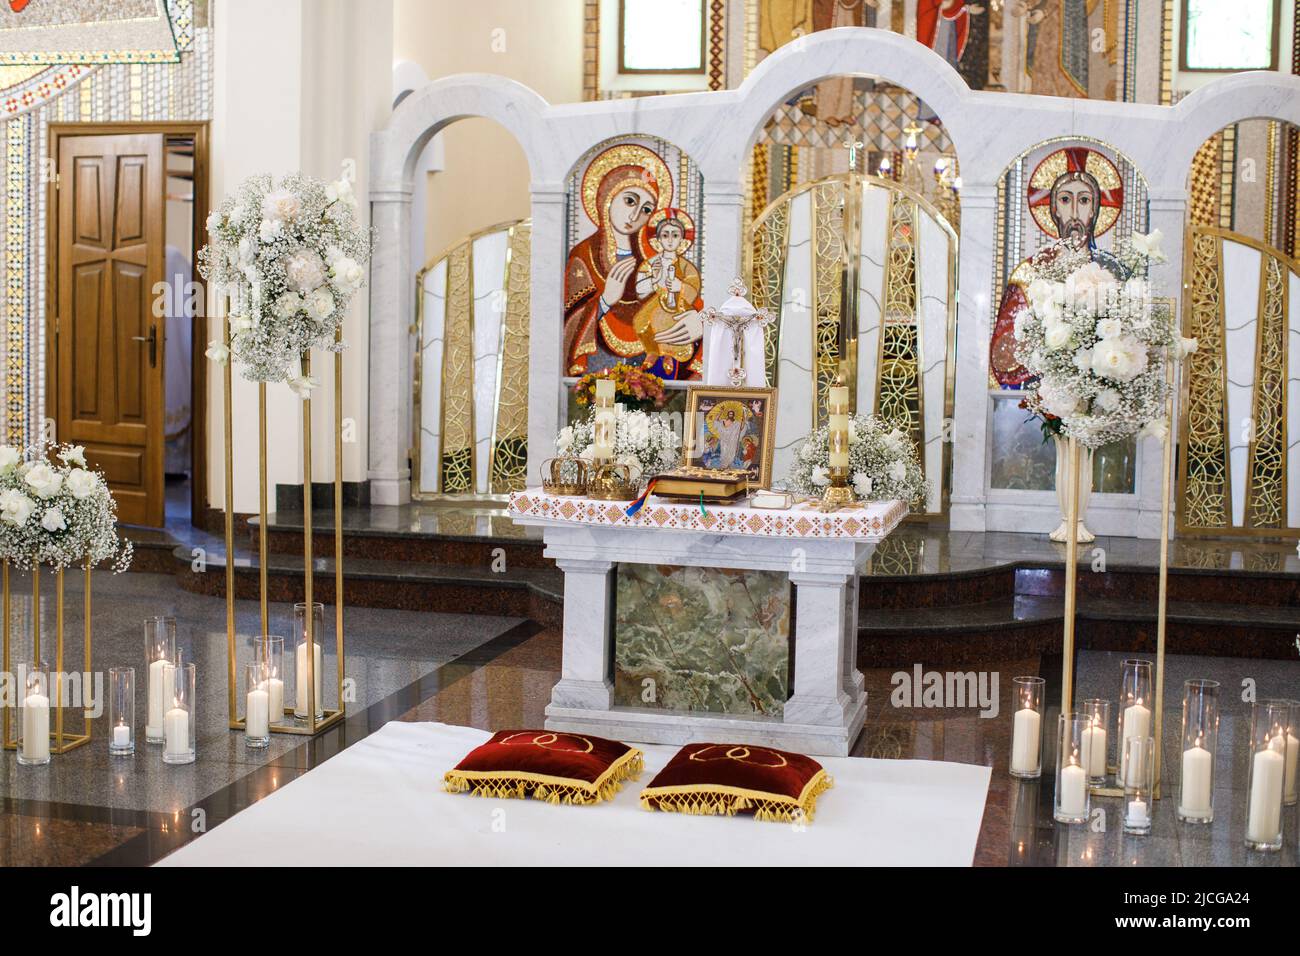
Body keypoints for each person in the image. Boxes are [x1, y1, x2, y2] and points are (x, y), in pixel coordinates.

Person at [563, 145, 703, 380]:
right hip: (600, 367)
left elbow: (688, 298)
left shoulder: (654, 255)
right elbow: (568, 323)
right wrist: (605, 301)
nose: (635, 215)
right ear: (607, 196)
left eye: (646, 209)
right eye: (630, 201)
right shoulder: (584, 256)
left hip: (652, 369)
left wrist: (698, 322)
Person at [990, 155, 1123, 387]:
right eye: (1064, 200)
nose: (1074, 212)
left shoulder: (1112, 270)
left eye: (1083, 200)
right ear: (1054, 210)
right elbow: (1002, 359)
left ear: (1094, 210)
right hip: (1042, 396)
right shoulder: (1030, 271)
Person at [632, 208, 704, 379]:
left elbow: (694, 285)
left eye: (675, 235)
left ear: (681, 239)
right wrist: (654, 280)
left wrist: (680, 286)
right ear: (658, 239)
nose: (670, 240)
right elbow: (640, 291)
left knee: (670, 323)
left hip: (678, 303)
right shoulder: (650, 264)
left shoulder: (686, 265)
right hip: (658, 300)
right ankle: (652, 351)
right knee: (641, 322)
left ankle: (669, 355)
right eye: (665, 235)